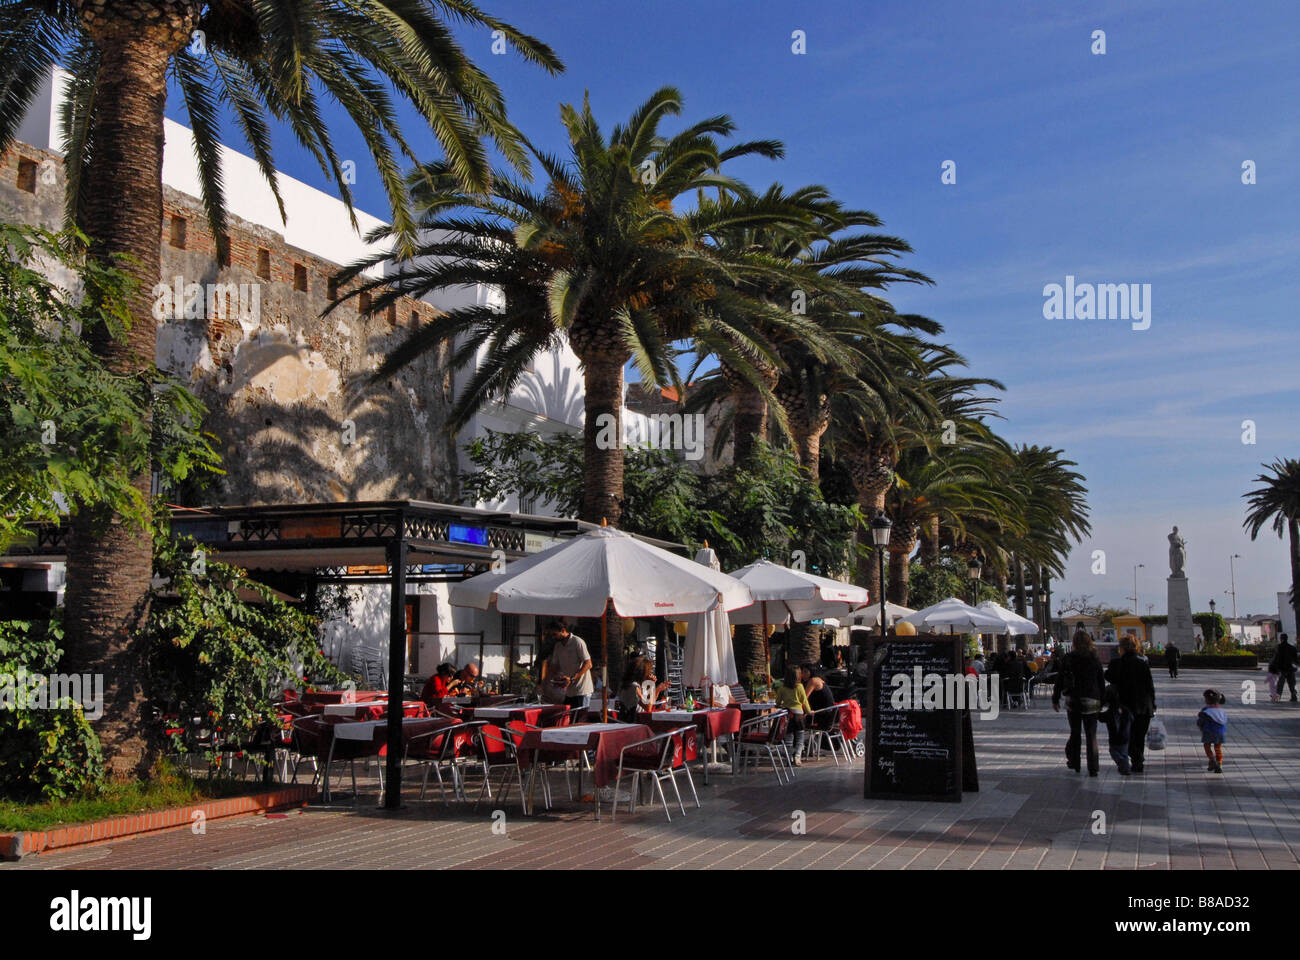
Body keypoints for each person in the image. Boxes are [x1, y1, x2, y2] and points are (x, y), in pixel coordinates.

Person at [1053, 630, 1106, 776]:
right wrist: (1103, 700)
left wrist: (1055, 698)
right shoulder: (1094, 658)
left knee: (1075, 732)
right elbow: (1100, 680)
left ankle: (1075, 763)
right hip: (1092, 698)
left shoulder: (1069, 658)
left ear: (1074, 642)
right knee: (1091, 735)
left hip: (1074, 699)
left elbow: (1060, 679)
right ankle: (1093, 768)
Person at [1106, 634, 1157, 773]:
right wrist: (1153, 704)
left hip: (1125, 705)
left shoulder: (1117, 663)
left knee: (1127, 736)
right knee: (1139, 736)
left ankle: (1135, 758)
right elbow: (1149, 685)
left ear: (1121, 648)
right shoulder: (1143, 663)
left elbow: (1108, 677)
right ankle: (1137, 763)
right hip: (1143, 706)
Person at [540, 620, 595, 710]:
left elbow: (588, 664)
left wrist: (572, 679)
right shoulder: (558, 646)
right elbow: (554, 667)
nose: (553, 637)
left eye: (554, 634)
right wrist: (545, 683)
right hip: (568, 691)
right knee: (569, 719)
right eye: (551, 635)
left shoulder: (577, 641)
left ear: (563, 630)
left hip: (582, 690)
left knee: (580, 720)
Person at [773, 664, 812, 766]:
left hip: (787, 715)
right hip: (799, 715)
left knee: (788, 738)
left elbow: (777, 703)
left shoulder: (782, 688)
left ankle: (789, 757)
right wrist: (808, 711)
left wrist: (783, 704)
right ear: (798, 676)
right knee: (799, 737)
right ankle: (797, 757)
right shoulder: (800, 687)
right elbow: (804, 701)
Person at [1098, 683, 1131, 775]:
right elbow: (1131, 718)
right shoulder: (1125, 709)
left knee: (1113, 751)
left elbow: (1101, 718)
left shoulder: (1110, 712)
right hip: (1125, 736)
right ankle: (1126, 768)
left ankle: (1121, 762)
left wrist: (1097, 711)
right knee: (1124, 753)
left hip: (1114, 737)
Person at [1197, 688, 1228, 773]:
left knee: (1207, 746)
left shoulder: (1206, 711)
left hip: (1208, 732)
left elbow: (1200, 722)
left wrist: (1200, 727)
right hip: (1220, 733)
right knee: (1217, 748)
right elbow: (1224, 721)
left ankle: (1212, 760)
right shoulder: (1222, 711)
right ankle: (1219, 763)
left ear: (1207, 700)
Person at [800, 663, 836, 729]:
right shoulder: (818, 679)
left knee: (795, 719)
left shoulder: (813, 681)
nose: (803, 674)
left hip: (823, 715)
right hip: (829, 713)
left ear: (811, 671)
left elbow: (803, 699)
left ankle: (795, 738)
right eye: (801, 672)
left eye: (805, 672)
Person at [1275, 634, 1298, 702]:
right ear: (1287, 638)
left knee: (1280, 683)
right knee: (1292, 683)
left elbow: (1276, 658)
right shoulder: (1292, 648)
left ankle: (1278, 696)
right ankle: (1294, 695)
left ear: (1281, 639)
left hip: (1282, 669)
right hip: (1290, 668)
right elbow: (1296, 660)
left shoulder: (1279, 647)